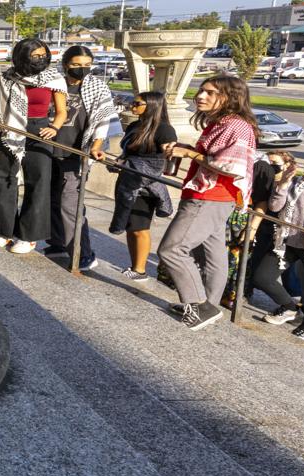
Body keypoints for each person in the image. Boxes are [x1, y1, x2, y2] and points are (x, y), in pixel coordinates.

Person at [156, 75, 257, 330]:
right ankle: (208, 306)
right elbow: (214, 156)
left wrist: (189, 153)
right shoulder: (221, 122)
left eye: (210, 92)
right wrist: (187, 148)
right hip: (211, 196)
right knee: (214, 254)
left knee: (172, 249)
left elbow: (230, 166)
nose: (201, 96)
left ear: (230, 97)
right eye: (201, 91)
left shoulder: (236, 125)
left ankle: (198, 304)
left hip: (210, 197)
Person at [0, 40, 67, 255]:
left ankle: (28, 236)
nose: (41, 59)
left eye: (43, 55)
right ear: (22, 56)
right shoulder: (3, 80)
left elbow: (61, 112)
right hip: (7, 130)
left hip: (40, 130)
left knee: (38, 184)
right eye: (35, 55)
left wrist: (54, 128)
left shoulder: (53, 79)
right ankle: (4, 232)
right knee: (4, 181)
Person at [42, 46, 120, 270]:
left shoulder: (96, 86)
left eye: (87, 65)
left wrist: (96, 146)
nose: (82, 69)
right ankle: (57, 243)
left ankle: (83, 252)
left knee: (70, 204)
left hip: (76, 152)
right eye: (76, 65)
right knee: (51, 199)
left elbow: (103, 119)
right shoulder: (54, 83)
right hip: (49, 150)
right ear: (66, 64)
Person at [107, 92, 177, 281]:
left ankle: (140, 270)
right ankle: (134, 266)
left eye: (137, 103)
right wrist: (120, 161)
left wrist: (132, 165)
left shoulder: (164, 129)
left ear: (152, 106)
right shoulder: (134, 125)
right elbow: (127, 152)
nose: (132, 105)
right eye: (132, 102)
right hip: (128, 181)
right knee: (131, 225)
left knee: (140, 227)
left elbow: (166, 160)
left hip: (147, 185)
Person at [239, 150, 302, 320]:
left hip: (282, 234)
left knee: (288, 275)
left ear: (288, 165)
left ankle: (296, 304)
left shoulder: (294, 184)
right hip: (264, 227)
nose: (272, 166)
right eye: (270, 162)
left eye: (276, 163)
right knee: (256, 260)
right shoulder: (266, 177)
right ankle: (246, 289)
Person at [264, 148, 304, 343]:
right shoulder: (300, 181)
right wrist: (283, 183)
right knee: (262, 277)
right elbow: (275, 207)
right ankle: (289, 308)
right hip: (287, 241)